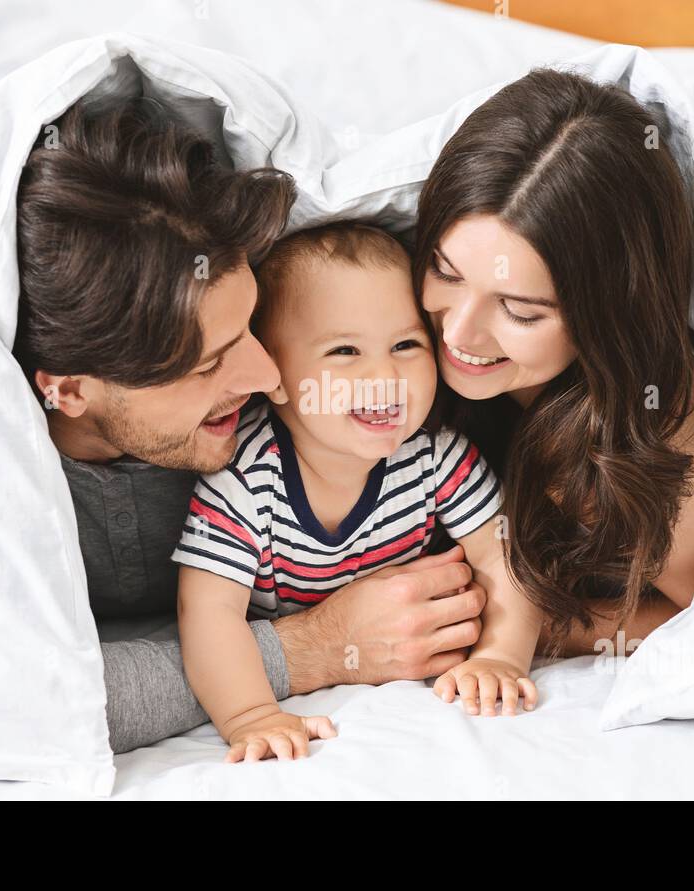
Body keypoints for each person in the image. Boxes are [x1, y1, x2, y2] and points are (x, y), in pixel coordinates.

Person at [11, 95, 488, 753]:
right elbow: (16, 701)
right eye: (210, 363)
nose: (268, 378)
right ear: (68, 389)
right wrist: (319, 646)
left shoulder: (308, 422)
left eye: (250, 328)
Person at [412, 67, 694, 658]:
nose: (457, 331)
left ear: (603, 317)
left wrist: (505, 624)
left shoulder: (637, 465)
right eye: (445, 272)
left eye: (521, 311)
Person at [170, 222, 542, 762]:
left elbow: (505, 556)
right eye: (345, 350)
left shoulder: (434, 454)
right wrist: (251, 714)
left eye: (406, 344)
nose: (383, 374)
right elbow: (207, 614)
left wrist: (501, 657)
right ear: (273, 375)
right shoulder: (246, 482)